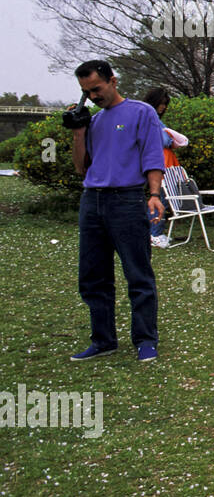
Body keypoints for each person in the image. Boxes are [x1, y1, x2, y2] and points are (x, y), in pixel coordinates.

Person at [68, 60, 165, 363]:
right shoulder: (94, 121)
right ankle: (103, 340)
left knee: (138, 274)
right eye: (87, 92)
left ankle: (146, 339)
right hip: (92, 200)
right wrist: (79, 130)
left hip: (126, 199)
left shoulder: (141, 112)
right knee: (93, 276)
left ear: (113, 80)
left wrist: (154, 194)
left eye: (96, 88)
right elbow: (80, 166)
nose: (93, 96)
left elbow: (152, 155)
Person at [141, 87, 188, 248]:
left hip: (165, 162)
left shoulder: (149, 117)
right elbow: (163, 140)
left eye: (165, 104)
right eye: (161, 103)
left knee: (163, 198)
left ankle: (154, 232)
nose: (163, 107)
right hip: (162, 163)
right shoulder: (151, 118)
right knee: (161, 198)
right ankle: (154, 233)